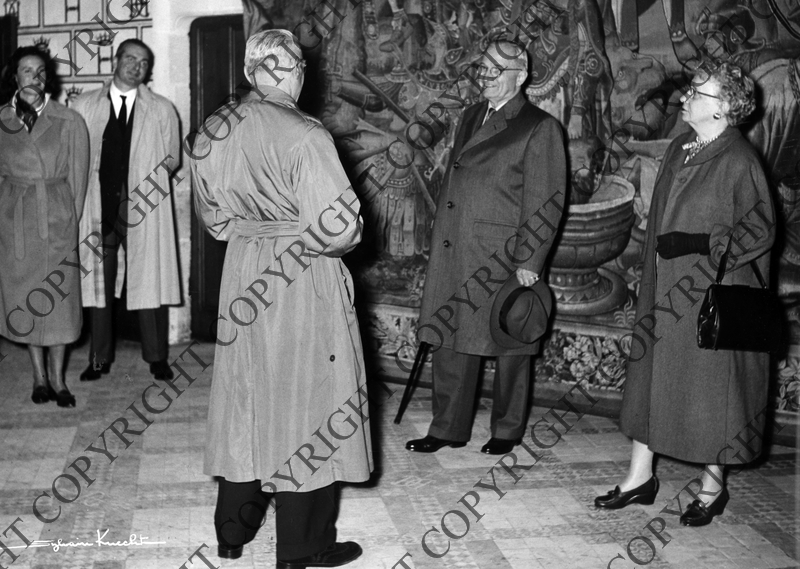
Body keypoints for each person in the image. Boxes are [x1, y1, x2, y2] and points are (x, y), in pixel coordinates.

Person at [191, 29, 372, 568]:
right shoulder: (306, 134)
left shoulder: (213, 132)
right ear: (293, 72)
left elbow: (215, 221)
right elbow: (340, 229)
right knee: (307, 402)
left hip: (244, 267)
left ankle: (232, 532)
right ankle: (301, 546)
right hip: (301, 273)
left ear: (251, 73)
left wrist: (255, 229)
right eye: (298, 67)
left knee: (244, 395)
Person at [594, 62, 776, 527]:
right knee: (651, 380)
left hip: (710, 294)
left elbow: (760, 231)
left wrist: (698, 243)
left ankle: (712, 487)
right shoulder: (680, 146)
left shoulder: (740, 160)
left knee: (713, 391)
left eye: (699, 93)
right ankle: (639, 477)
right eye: (691, 89)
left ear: (724, 108)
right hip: (665, 289)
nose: (686, 97)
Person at [406, 40, 567, 456]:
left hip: (505, 255)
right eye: (483, 69)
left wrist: (531, 259)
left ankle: (507, 430)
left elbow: (546, 201)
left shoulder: (539, 127)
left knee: (511, 340)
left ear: (521, 76)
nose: (486, 77)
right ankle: (448, 427)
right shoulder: (472, 115)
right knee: (450, 336)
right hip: (459, 246)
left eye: (497, 70)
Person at [71, 39, 181, 382]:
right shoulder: (84, 105)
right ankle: (98, 359)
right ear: (115, 61)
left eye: (144, 62)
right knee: (98, 285)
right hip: (98, 207)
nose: (137, 66)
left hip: (144, 209)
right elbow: (75, 155)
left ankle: (157, 357)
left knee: (150, 279)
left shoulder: (162, 109)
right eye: (131, 59)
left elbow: (173, 158)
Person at [0, 46, 89, 407]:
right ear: (14, 77)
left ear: (47, 78)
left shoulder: (69, 120)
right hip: (15, 221)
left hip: (56, 218)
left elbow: (79, 179)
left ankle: (59, 380)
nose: (34, 78)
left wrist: (70, 220)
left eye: (40, 72)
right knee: (25, 298)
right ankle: (38, 378)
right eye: (26, 71)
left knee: (60, 301)